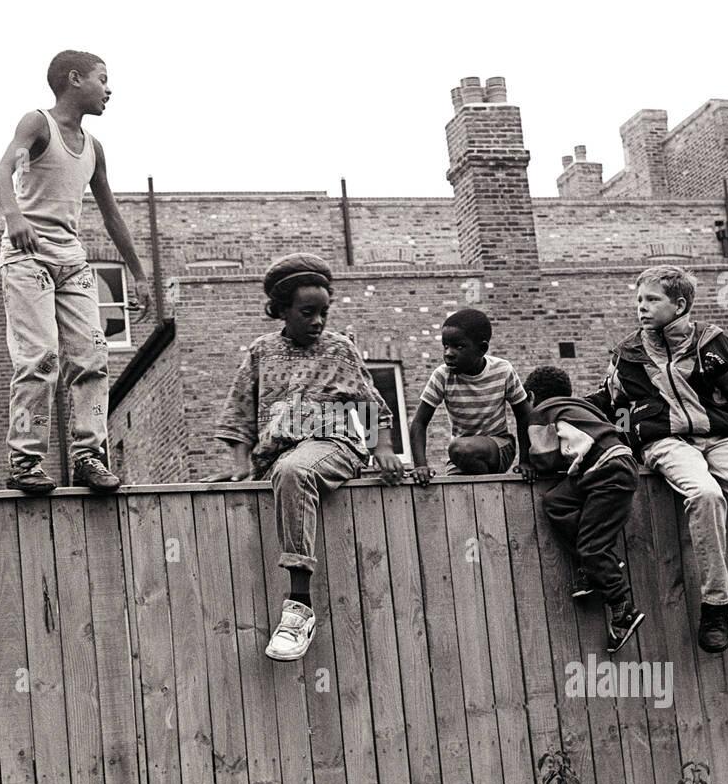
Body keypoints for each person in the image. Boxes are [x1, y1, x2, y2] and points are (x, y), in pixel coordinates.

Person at [588, 265, 728, 653]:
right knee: (706, 495)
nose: (641, 307)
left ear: (680, 304)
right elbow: (610, 404)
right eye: (639, 299)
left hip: (721, 439)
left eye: (652, 299)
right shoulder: (628, 354)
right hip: (666, 443)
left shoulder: (714, 343)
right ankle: (715, 607)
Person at [207, 253, 404, 661]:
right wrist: (241, 467)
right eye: (307, 312)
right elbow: (239, 411)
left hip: (334, 445)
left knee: (296, 469)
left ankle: (299, 610)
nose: (317, 321)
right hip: (277, 457)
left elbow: (370, 405)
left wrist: (382, 448)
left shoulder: (339, 349)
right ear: (281, 311)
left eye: (324, 313)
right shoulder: (261, 351)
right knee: (288, 468)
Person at [0, 49, 150, 495]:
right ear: (75, 80)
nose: (109, 89)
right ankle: (25, 460)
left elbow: (112, 215)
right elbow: (2, 173)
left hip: (72, 262)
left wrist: (138, 275)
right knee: (40, 358)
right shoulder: (37, 123)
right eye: (103, 79)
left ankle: (88, 457)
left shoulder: (94, 148)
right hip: (29, 258)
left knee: (92, 357)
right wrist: (14, 218)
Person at [526, 366, 644, 652]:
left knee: (593, 547)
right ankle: (596, 566)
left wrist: (529, 460)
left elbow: (544, 460)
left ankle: (622, 609)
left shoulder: (541, 412)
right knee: (556, 502)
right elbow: (621, 424)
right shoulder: (584, 406)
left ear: (531, 396)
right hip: (610, 465)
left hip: (606, 472)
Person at [408, 308, 535, 485]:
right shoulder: (442, 376)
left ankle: (488, 482)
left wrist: (525, 462)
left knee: (460, 448)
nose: (448, 353)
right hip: (461, 457)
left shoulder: (503, 370)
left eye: (458, 346)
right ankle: (488, 483)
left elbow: (524, 415)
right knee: (458, 499)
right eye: (445, 346)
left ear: (482, 349)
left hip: (498, 447)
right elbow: (419, 423)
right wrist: (420, 465)